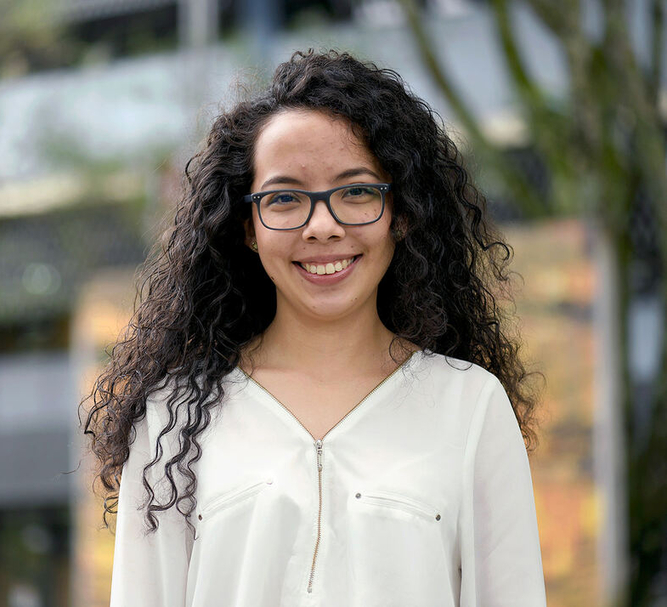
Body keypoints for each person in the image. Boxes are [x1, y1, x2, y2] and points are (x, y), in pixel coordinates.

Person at [81, 49, 547, 606]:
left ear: (401, 212)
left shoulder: (469, 406)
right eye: (284, 198)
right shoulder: (170, 420)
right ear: (248, 226)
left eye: (356, 191)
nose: (322, 227)